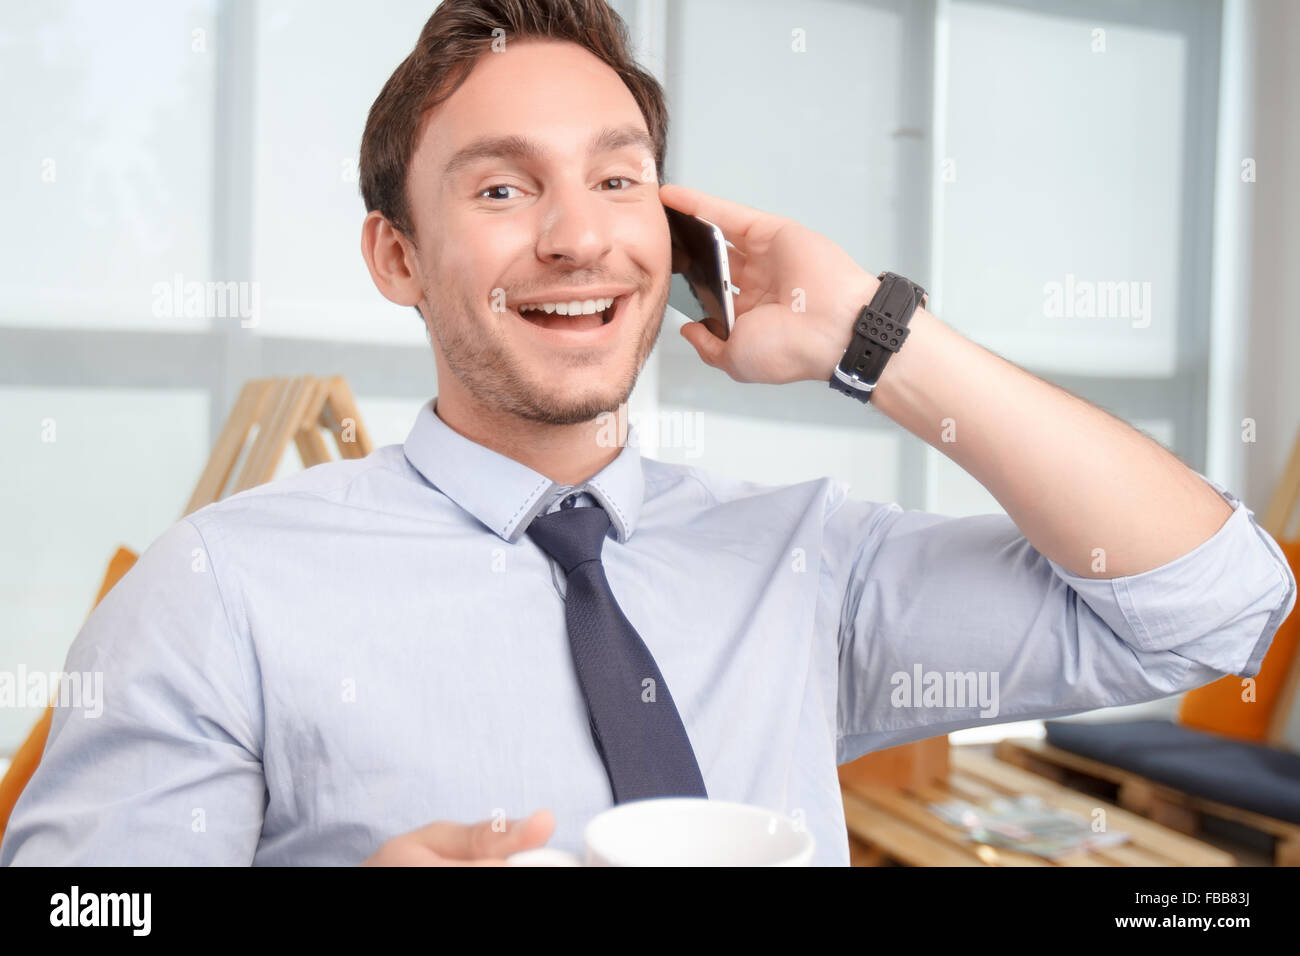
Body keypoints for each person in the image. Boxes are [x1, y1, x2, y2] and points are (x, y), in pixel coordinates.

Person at [3, 0, 1294, 868]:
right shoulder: (218, 592)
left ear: (666, 235)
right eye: (504, 188)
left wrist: (871, 330)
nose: (576, 234)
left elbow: (1217, 605)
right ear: (396, 256)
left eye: (617, 177)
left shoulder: (805, 565)